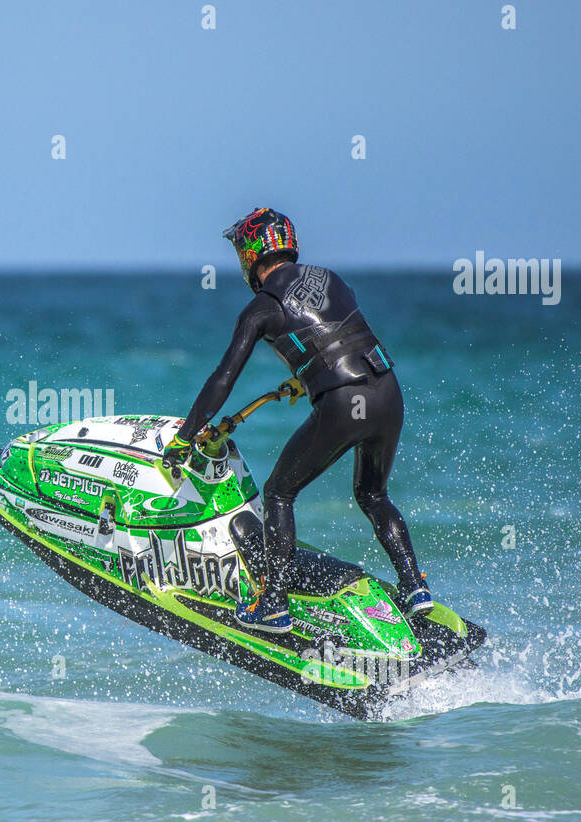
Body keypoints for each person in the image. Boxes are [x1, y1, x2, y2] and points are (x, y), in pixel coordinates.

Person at [162, 207, 432, 634]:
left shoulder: (261, 308)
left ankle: (273, 602)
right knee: (372, 495)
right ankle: (416, 589)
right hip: (388, 394)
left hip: (343, 402)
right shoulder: (332, 278)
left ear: (251, 253)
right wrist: (305, 380)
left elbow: (223, 379)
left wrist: (185, 435)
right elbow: (336, 337)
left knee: (279, 492)